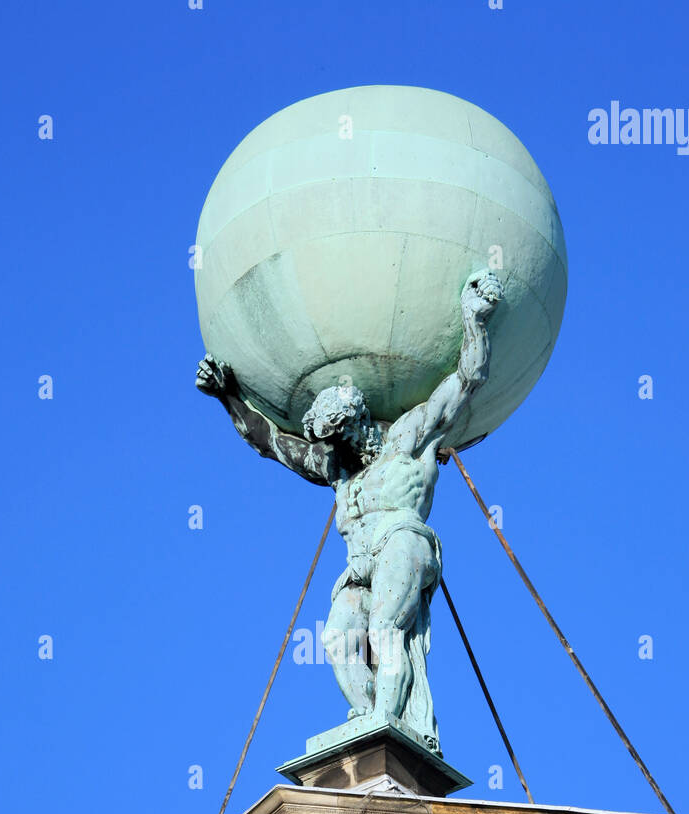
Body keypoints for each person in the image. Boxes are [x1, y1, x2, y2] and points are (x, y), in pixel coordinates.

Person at [196, 271, 502, 752]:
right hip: (361, 566)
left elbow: (465, 382)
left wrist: (474, 318)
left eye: (343, 435)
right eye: (331, 440)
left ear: (358, 420)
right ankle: (366, 717)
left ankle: (388, 724)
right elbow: (270, 443)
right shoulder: (337, 466)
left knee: (384, 630)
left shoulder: (409, 438)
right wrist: (227, 396)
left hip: (404, 540)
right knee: (338, 638)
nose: (340, 448)